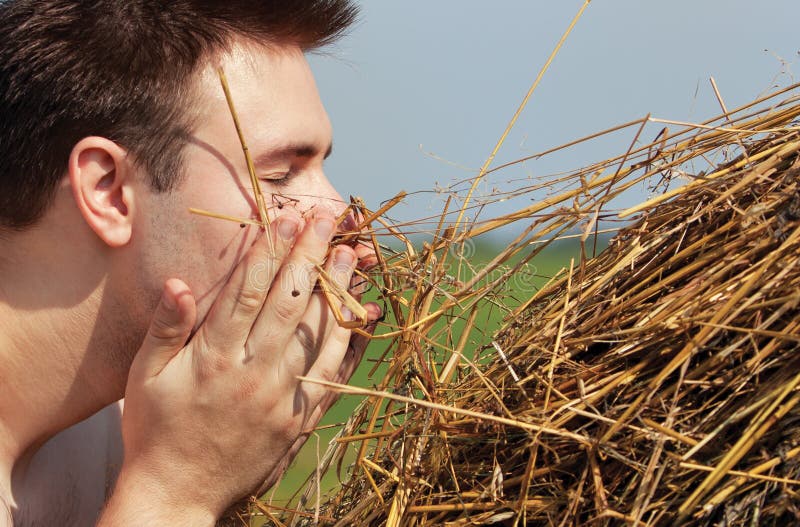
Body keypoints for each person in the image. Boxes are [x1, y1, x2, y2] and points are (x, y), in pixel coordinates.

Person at [0, 0, 382, 524]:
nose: (341, 214)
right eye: (279, 175)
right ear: (108, 191)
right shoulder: (160, 452)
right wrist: (178, 491)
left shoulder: (135, 423)